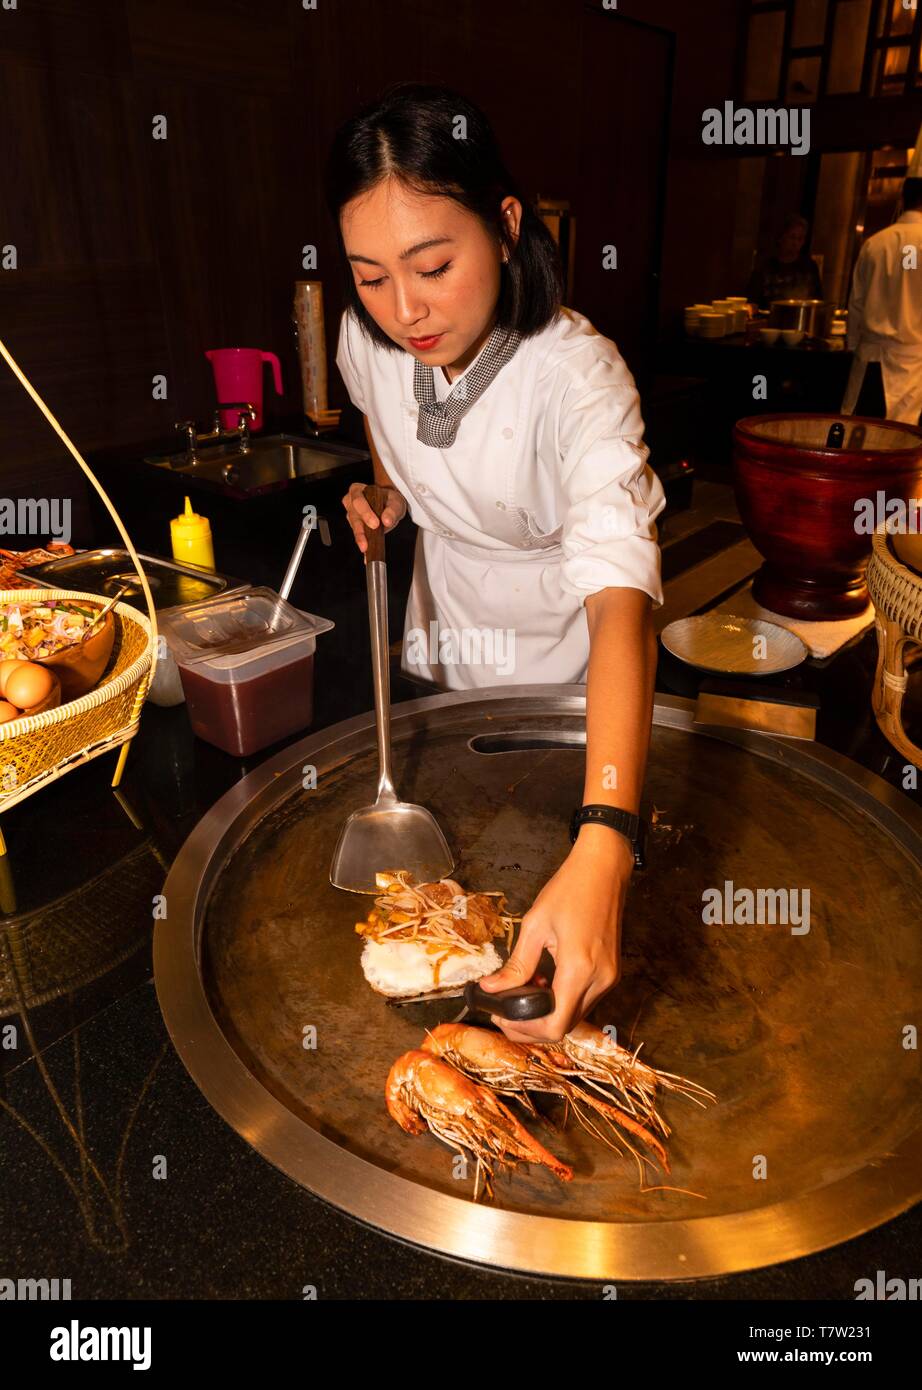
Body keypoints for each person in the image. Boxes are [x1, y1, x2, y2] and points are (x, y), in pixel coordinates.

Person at [325, 83, 666, 1044]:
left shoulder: (576, 378)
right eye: (372, 276)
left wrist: (608, 837)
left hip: (565, 660)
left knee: (538, 855)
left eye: (433, 265)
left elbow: (619, 597)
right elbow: (382, 420)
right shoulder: (369, 334)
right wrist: (392, 494)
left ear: (506, 225)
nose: (405, 310)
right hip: (445, 629)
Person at [842, 177, 922, 426]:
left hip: (870, 361)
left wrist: (853, 343)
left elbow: (856, 302)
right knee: (903, 448)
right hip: (913, 362)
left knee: (861, 438)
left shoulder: (874, 243)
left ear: (901, 201)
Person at [747, 214, 823, 309]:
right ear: (781, 238)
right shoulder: (765, 267)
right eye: (792, 237)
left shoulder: (809, 267)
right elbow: (752, 300)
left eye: (800, 239)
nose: (795, 243)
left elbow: (818, 301)